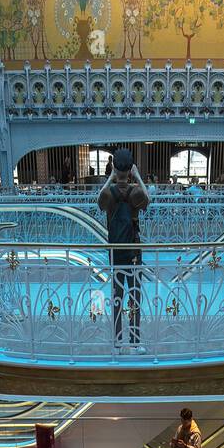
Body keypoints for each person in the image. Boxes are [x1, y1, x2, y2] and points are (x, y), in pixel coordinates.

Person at [97, 147, 149, 350]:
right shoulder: (136, 192)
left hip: (115, 251)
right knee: (134, 295)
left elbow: (98, 201)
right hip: (134, 252)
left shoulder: (108, 194)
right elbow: (148, 200)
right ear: (130, 170)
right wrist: (138, 177)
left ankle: (118, 341)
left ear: (114, 168)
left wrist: (110, 178)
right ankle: (135, 343)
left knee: (117, 295)